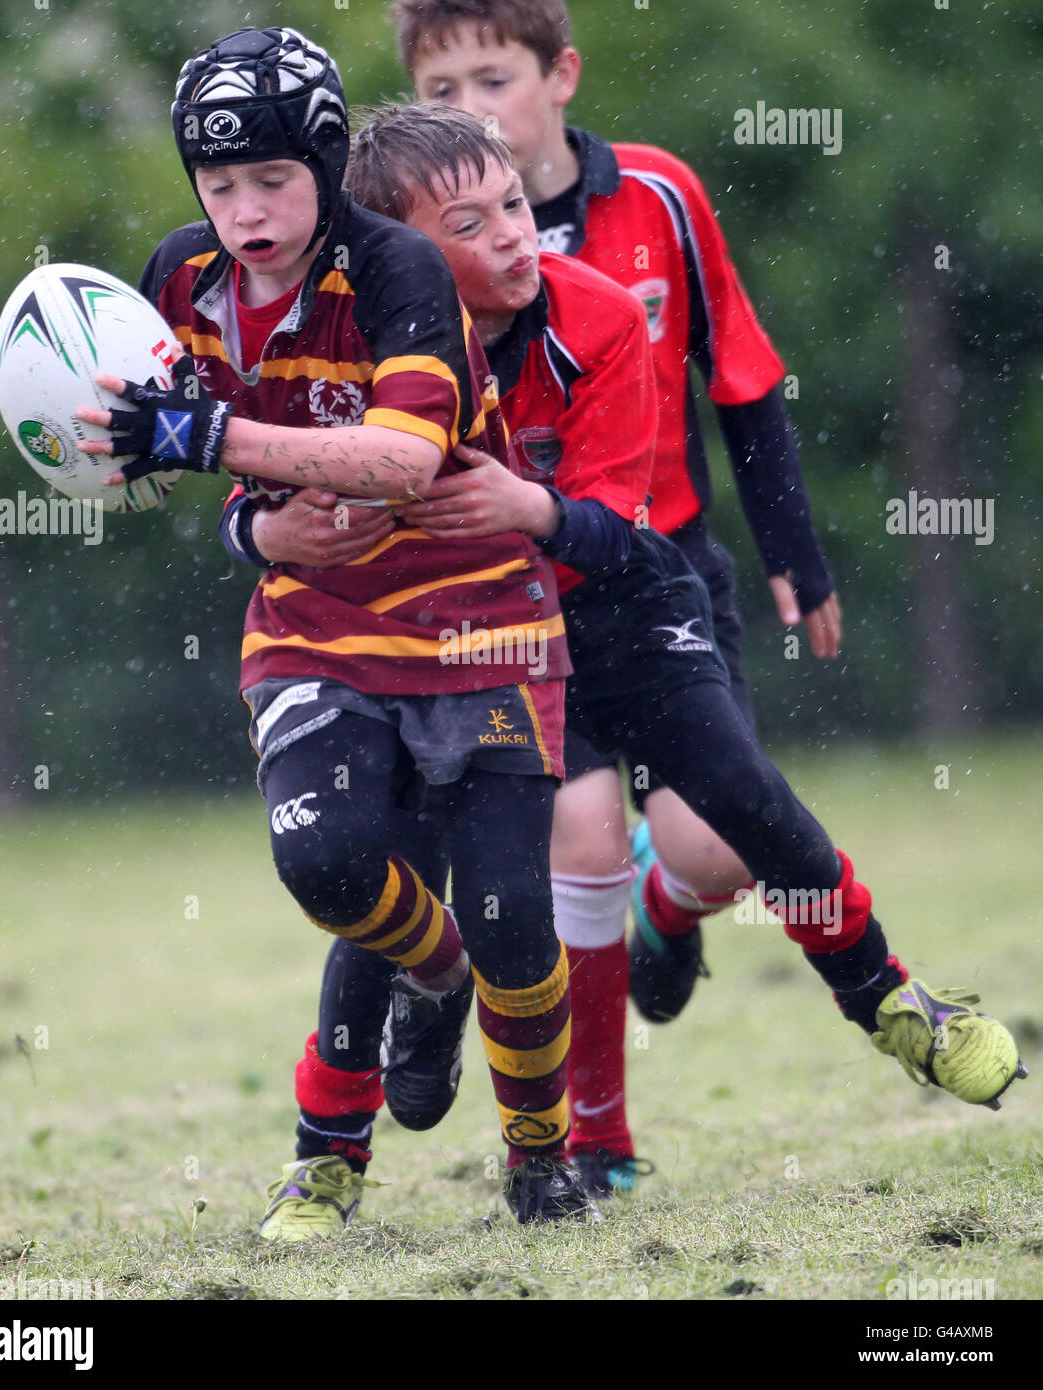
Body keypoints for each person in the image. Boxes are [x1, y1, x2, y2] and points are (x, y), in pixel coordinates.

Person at [222, 104, 1026, 1232]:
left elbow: (621, 523)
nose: (515, 235)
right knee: (392, 870)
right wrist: (261, 531)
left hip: (619, 607)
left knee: (743, 795)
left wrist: (529, 507)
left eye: (514, 204)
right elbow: (252, 486)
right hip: (466, 640)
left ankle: (893, 1000)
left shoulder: (594, 314)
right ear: (398, 250)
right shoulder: (353, 337)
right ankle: (334, 1152)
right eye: (474, 221)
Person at [75, 25, 602, 1229]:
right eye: (219, 186)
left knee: (516, 912)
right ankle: (419, 1004)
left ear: (321, 162)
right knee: (329, 864)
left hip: (482, 623)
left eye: (271, 180)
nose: (245, 211)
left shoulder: (400, 270)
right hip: (316, 627)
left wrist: (215, 442)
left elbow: (401, 462)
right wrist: (252, 534)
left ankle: (538, 1158)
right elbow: (155, 479)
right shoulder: (179, 280)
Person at [384, 0, 847, 1187]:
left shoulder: (660, 200)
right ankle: (598, 1142)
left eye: (494, 79)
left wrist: (798, 550)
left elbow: (740, 376)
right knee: (576, 840)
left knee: (717, 854)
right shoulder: (413, 247)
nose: (471, 111)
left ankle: (666, 902)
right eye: (440, 93)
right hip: (515, 596)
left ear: (562, 75)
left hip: (661, 573)